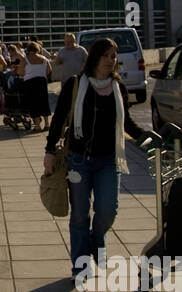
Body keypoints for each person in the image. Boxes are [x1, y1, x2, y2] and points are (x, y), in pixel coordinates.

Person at [43, 38, 147, 276]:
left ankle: (96, 238)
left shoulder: (118, 87)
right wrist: (49, 151)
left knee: (108, 209)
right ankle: (80, 266)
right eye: (108, 56)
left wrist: (145, 136)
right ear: (96, 58)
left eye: (115, 56)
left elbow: (127, 123)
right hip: (79, 160)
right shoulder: (76, 84)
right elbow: (59, 120)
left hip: (109, 161)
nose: (112, 60)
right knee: (80, 214)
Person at [16, 41, 52, 132]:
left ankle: (37, 126)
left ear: (28, 50)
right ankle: (47, 124)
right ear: (37, 49)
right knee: (44, 102)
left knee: (34, 103)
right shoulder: (44, 59)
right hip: (42, 82)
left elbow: (20, 72)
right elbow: (49, 70)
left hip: (30, 83)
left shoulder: (25, 59)